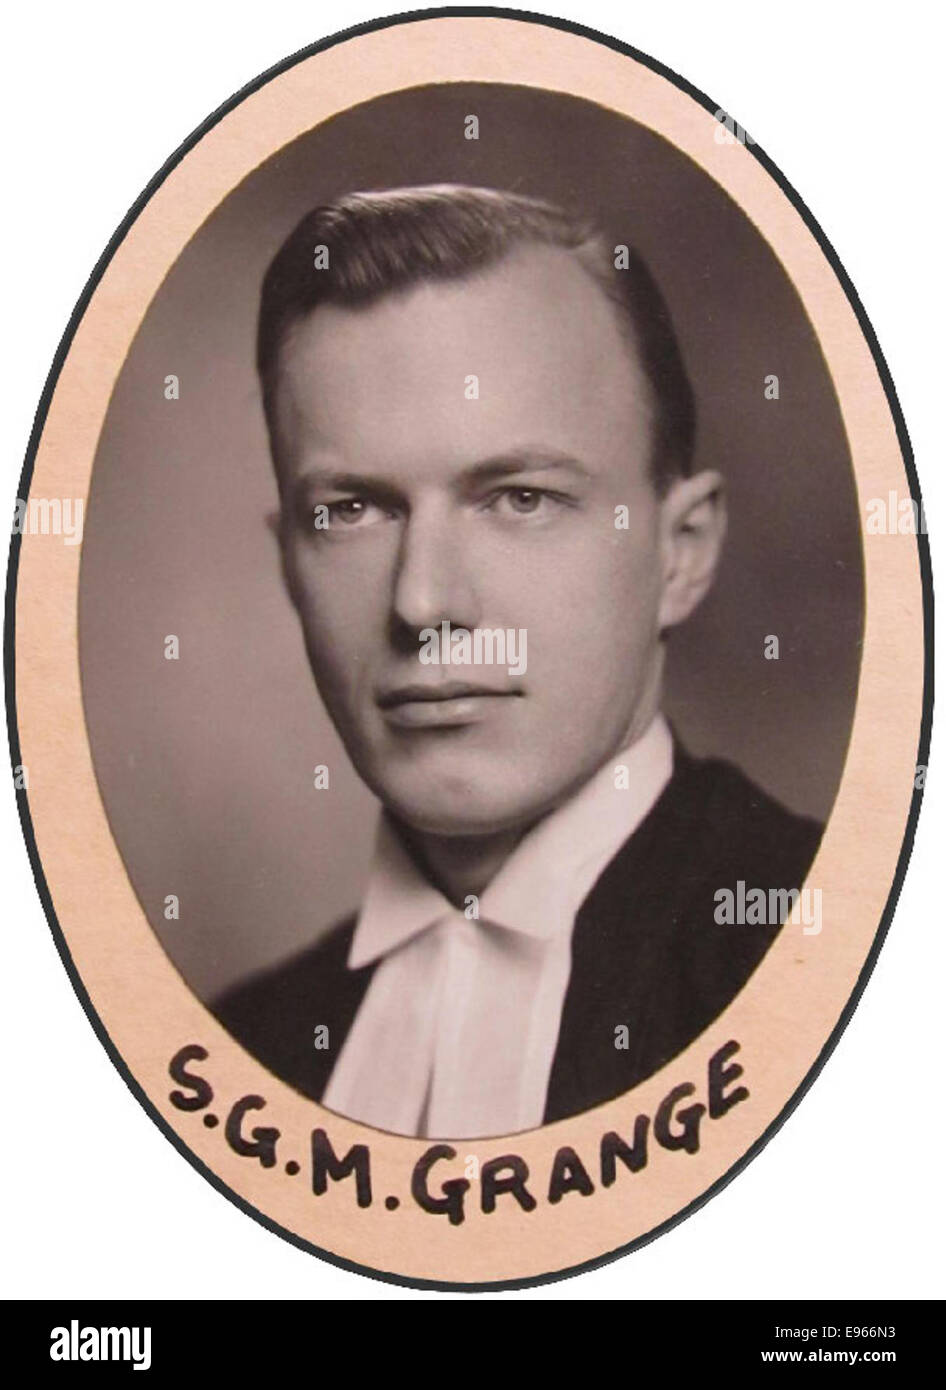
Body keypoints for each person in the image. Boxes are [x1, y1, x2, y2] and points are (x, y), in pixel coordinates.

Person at [213, 184, 821, 1138]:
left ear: (682, 552)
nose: (425, 604)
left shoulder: (857, 957)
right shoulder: (233, 1054)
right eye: (353, 510)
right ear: (288, 559)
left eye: (520, 499)